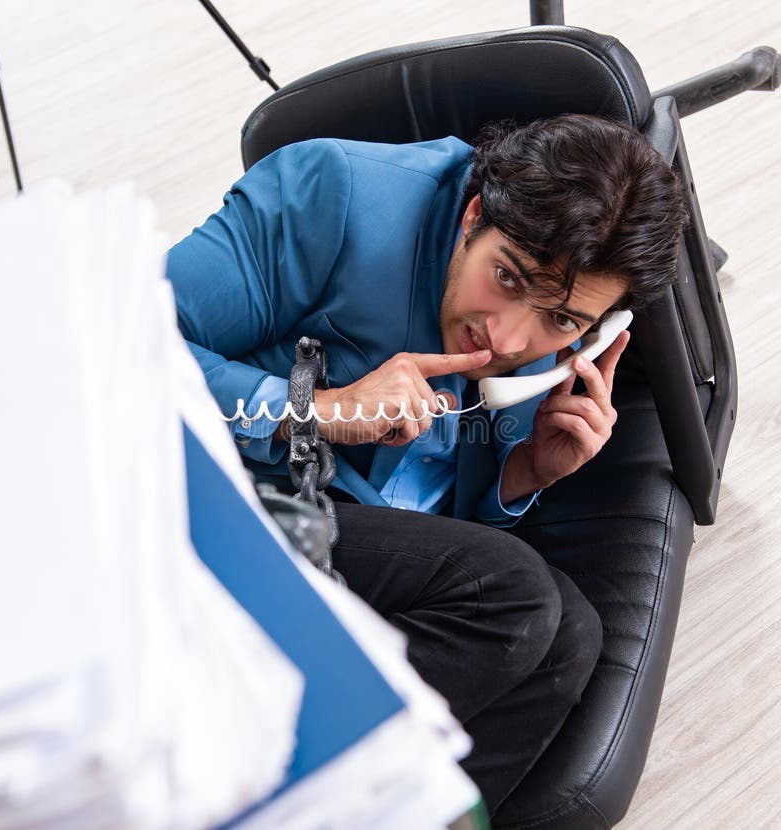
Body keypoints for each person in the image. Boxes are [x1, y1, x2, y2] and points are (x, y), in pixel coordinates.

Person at [166, 114, 687, 825]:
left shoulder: (548, 341)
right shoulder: (333, 192)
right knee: (513, 597)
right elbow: (124, 344)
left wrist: (523, 477)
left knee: (571, 636)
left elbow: (426, 517)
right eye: (506, 277)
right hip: (225, 495)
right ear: (474, 216)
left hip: (346, 538)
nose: (507, 338)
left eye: (562, 321)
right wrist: (311, 407)